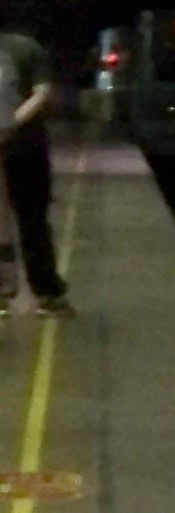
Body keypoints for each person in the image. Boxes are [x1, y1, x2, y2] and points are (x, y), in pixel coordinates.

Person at [0, 26, 66, 317]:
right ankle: (47, 294)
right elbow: (42, 94)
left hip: (23, 146)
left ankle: (19, 291)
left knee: (31, 220)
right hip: (25, 144)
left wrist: (8, 124)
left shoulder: (24, 48)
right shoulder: (26, 47)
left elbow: (43, 92)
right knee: (33, 221)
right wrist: (11, 124)